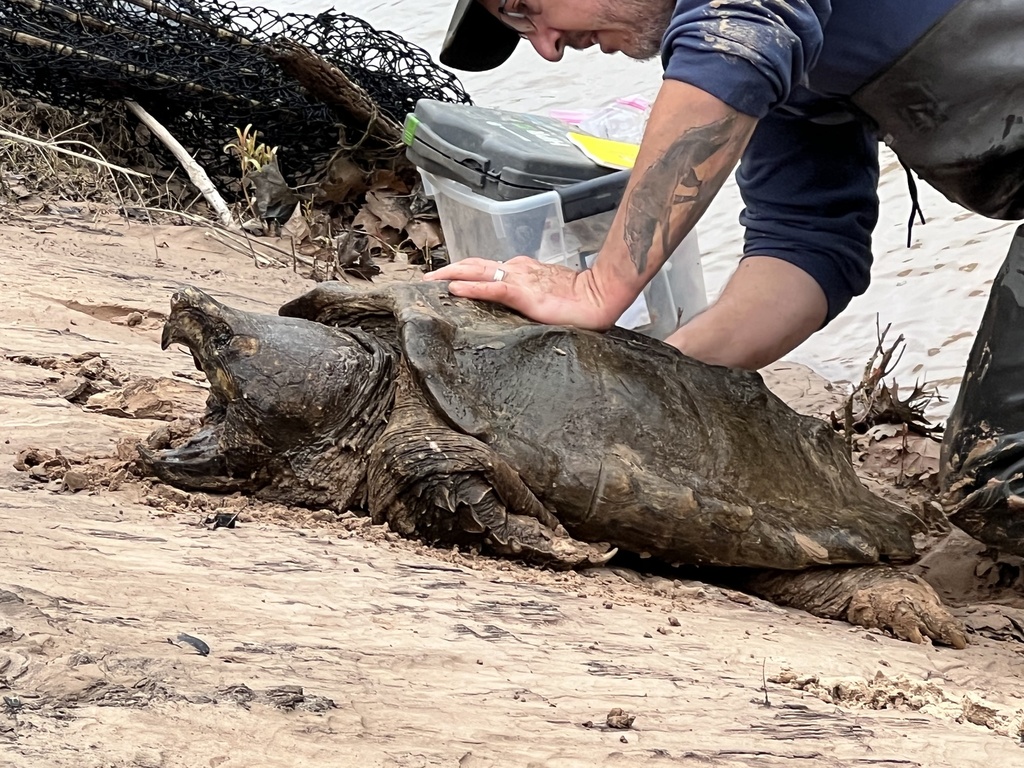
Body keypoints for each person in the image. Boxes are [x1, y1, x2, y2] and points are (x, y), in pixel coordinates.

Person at [424, 0, 1024, 370]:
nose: (547, 48)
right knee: (989, 482)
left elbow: (734, 38)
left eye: (523, 6)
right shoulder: (793, 63)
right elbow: (806, 242)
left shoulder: (749, 33)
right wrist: (655, 379)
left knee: (1003, 473)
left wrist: (597, 287)